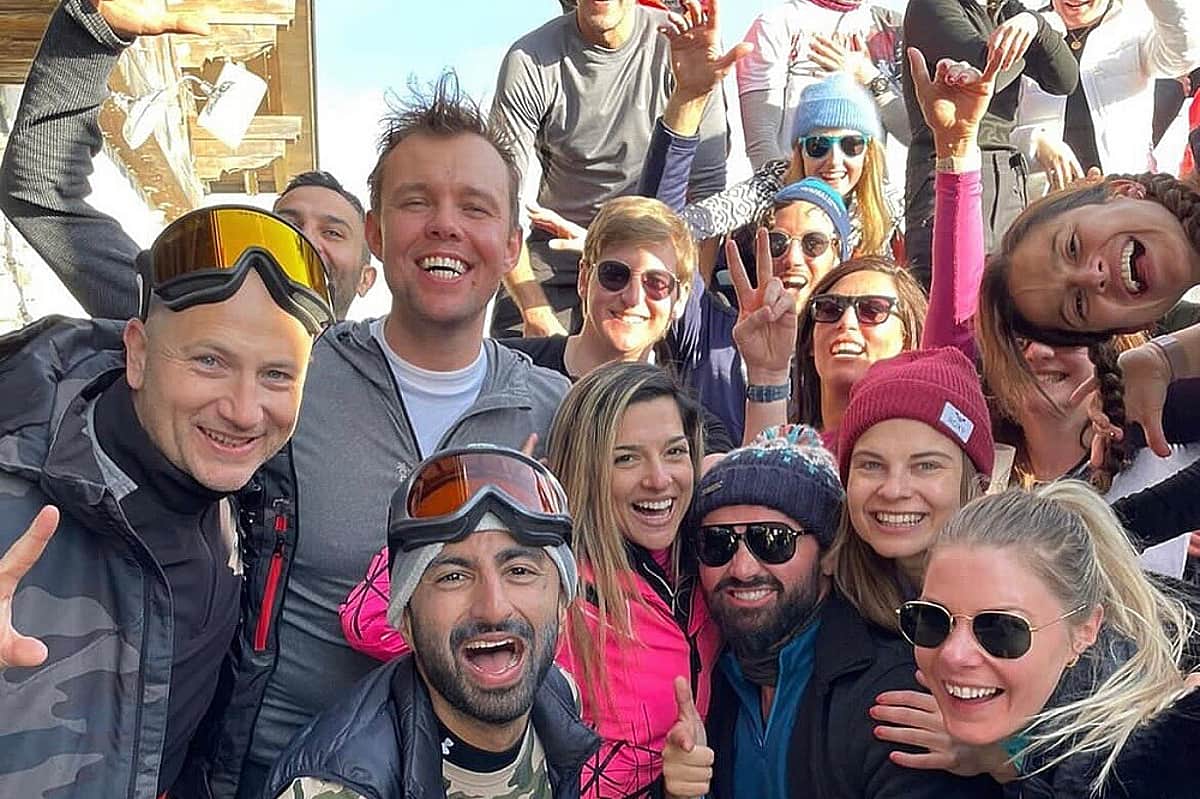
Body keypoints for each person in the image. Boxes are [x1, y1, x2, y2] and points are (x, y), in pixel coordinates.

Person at [206, 74, 573, 799]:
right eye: (416, 202)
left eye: (474, 207)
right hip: (287, 770)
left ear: (510, 244)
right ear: (376, 232)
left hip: (485, 775)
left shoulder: (555, 411)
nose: (445, 225)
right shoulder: (293, 380)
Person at [0, 205, 333, 798]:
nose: (243, 409)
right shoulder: (16, 484)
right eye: (210, 361)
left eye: (277, 376)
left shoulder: (254, 497)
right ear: (138, 353)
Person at [339, 362, 721, 798]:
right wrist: (495, 505)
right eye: (626, 458)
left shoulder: (706, 560)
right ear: (585, 467)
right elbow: (365, 618)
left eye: (674, 452)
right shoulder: (547, 584)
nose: (659, 479)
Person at [662, 424, 1000, 799]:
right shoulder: (711, 680)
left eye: (772, 540)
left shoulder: (893, 697)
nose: (743, 568)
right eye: (717, 544)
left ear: (828, 554)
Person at [0, 0, 374, 321]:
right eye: (286, 224)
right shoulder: (171, 314)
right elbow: (38, 187)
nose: (302, 240)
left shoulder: (387, 386)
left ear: (365, 280)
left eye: (333, 232)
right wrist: (95, 34)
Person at [265, 446, 600, 799]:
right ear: (405, 618)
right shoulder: (335, 789)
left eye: (519, 571)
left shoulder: (558, 695)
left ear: (563, 604)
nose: (493, 608)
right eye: (453, 577)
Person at [904, 483, 1199, 796]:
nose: (954, 654)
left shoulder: (1147, 771)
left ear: (1085, 630)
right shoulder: (1076, 746)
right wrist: (1010, 763)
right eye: (932, 619)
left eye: (1001, 629)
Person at [489, 0, 728, 338]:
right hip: (556, 256)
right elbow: (499, 197)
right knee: (515, 365)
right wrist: (535, 311)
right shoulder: (530, 59)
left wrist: (686, 300)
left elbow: (708, 191)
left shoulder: (681, 47)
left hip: (653, 253)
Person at [901, 0, 1079, 289]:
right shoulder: (931, 5)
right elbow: (986, 75)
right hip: (947, 168)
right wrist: (1030, 34)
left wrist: (1035, 24)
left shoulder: (1007, 11)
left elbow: (1064, 80)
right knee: (949, 300)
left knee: (1004, 301)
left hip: (1006, 177)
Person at [1012, 0, 1200, 196]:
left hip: (1124, 196)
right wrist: (1034, 141)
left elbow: (1182, 55)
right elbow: (991, 129)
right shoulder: (1023, 25)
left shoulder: (1135, 22)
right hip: (1043, 204)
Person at [736, 0, 909, 171]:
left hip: (869, 192)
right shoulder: (776, 22)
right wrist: (789, 194)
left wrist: (868, 75)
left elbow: (913, 135)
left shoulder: (894, 26)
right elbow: (761, 142)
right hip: (797, 187)